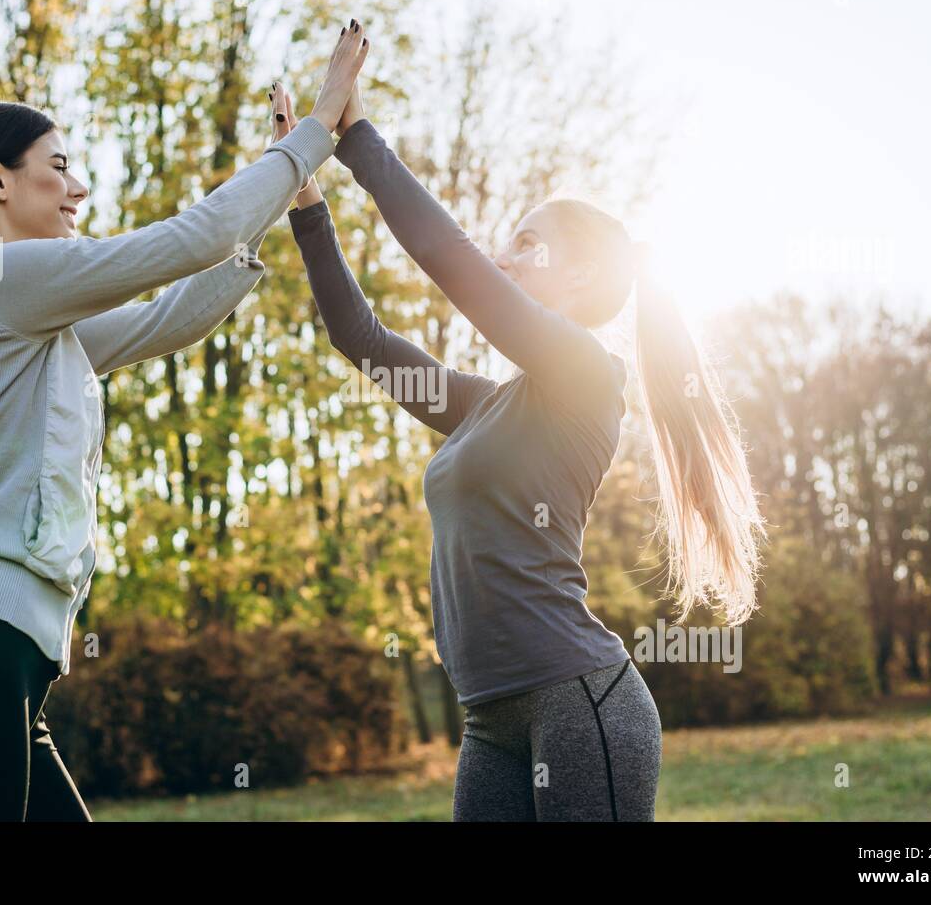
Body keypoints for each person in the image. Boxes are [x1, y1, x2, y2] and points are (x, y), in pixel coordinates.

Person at [0, 21, 371, 821]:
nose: (78, 189)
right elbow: (189, 239)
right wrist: (314, 130)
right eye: (57, 169)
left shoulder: (9, 315)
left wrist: (282, 189)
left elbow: (171, 318)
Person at [276, 63, 765, 820]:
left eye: (526, 243)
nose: (503, 257)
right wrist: (306, 198)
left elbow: (459, 268)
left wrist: (359, 139)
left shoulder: (587, 374)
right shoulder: (480, 406)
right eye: (505, 243)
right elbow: (360, 337)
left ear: (585, 275)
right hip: (490, 720)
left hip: (578, 701)